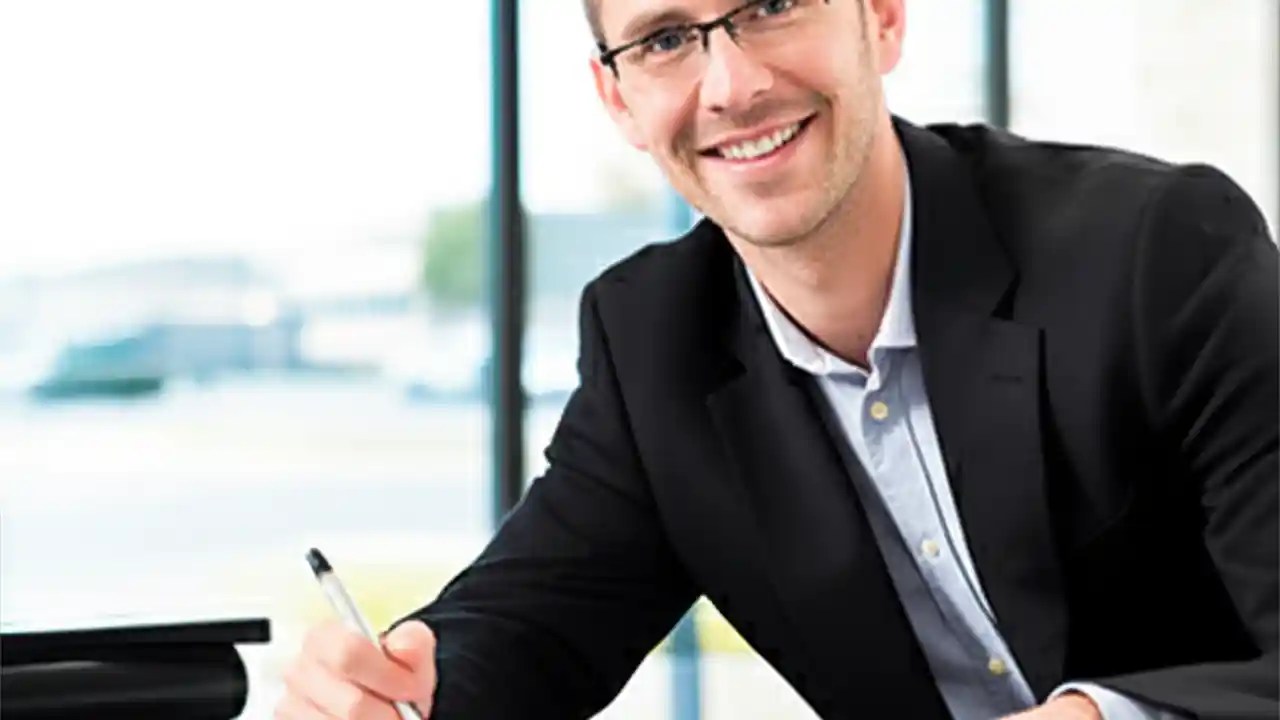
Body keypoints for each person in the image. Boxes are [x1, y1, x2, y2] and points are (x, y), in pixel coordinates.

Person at [273, 0, 1279, 717]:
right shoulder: (653, 339)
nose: (732, 85)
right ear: (617, 98)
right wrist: (395, 685)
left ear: (879, 18)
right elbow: (530, 626)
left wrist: (1097, 718)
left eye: (771, 5)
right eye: (665, 39)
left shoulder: (1153, 250)